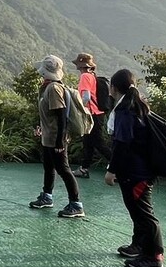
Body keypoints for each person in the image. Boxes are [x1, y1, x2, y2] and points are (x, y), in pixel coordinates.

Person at [105, 68, 165, 267]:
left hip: (135, 172)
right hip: (141, 170)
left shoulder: (125, 111)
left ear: (113, 88)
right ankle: (139, 246)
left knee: (144, 214)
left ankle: (154, 257)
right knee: (137, 211)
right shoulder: (136, 106)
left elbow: (122, 143)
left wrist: (111, 170)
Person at [30, 54, 85, 218]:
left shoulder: (54, 88)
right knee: (48, 167)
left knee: (63, 169)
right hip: (48, 136)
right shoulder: (47, 87)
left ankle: (76, 204)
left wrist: (60, 140)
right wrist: (42, 128)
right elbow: (49, 114)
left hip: (55, 138)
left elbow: (61, 115)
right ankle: (47, 196)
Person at [72, 52, 109, 178]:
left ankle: (119, 167)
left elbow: (86, 97)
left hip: (92, 114)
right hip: (98, 113)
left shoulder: (85, 77)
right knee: (88, 142)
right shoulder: (93, 76)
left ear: (80, 65)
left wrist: (79, 109)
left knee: (98, 143)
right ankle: (84, 168)